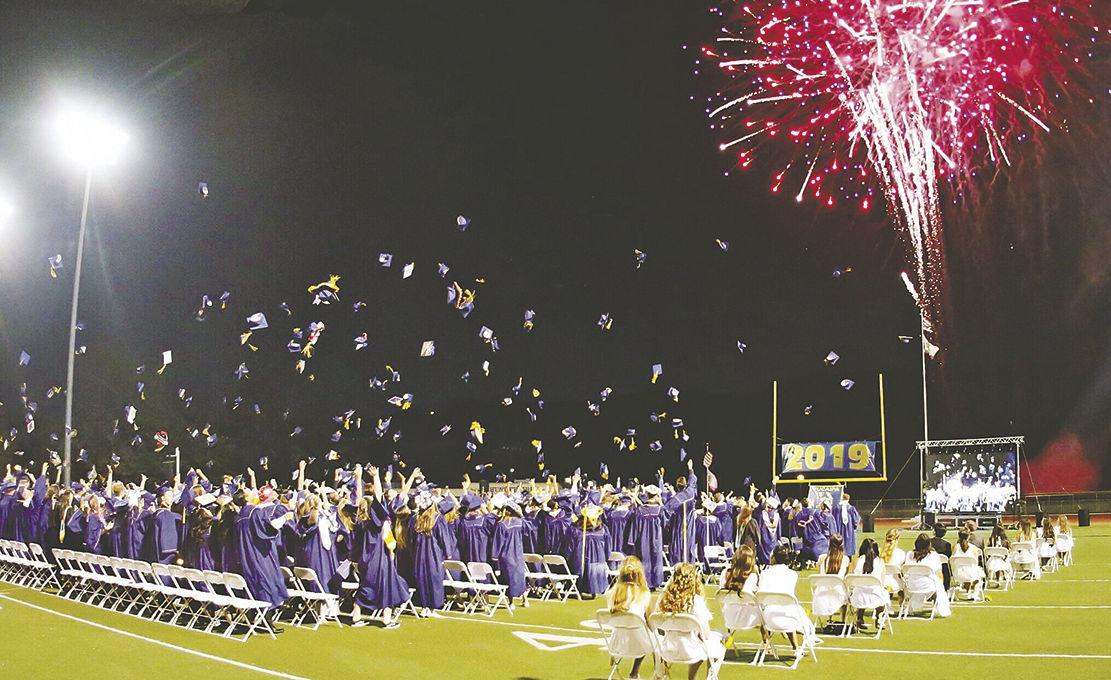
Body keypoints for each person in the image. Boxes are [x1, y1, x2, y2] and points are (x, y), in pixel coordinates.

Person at [351, 465, 410, 628]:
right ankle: (386, 619)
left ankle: (356, 616)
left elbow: (359, 501)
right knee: (387, 587)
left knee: (365, 586)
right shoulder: (378, 523)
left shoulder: (360, 521)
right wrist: (376, 477)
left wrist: (358, 478)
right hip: (380, 559)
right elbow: (378, 499)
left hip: (364, 559)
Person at [655, 562, 724, 680]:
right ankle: (708, 677)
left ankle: (661, 675)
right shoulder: (697, 602)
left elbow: (659, 629)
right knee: (719, 645)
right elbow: (705, 634)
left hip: (668, 650)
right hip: (692, 651)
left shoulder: (662, 600)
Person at [235, 485, 292, 611]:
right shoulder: (255, 512)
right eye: (249, 491)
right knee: (266, 582)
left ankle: (252, 616)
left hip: (246, 553)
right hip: (260, 553)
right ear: (246, 497)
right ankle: (267, 620)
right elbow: (267, 529)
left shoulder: (241, 514)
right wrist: (284, 518)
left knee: (254, 582)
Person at [757, 544, 815, 651]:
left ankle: (767, 645)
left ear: (773, 557)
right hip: (788, 617)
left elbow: (761, 596)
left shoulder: (765, 574)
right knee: (789, 609)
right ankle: (796, 648)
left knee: (768, 609)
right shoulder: (793, 574)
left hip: (769, 618)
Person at [604, 556, 654, 680]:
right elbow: (650, 621)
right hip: (640, 643)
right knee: (654, 637)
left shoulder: (612, 592)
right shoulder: (644, 594)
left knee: (632, 628)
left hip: (616, 642)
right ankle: (646, 672)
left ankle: (617, 659)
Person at [902, 533, 951, 617]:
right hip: (928, 586)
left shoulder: (909, 554)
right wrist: (941, 586)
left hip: (910, 586)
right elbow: (939, 573)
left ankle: (909, 607)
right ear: (929, 544)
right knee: (938, 583)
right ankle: (937, 606)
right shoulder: (933, 555)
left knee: (936, 582)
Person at [627, 484, 666, 589]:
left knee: (644, 559)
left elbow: (635, 527)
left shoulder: (640, 510)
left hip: (642, 539)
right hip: (656, 539)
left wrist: (632, 540)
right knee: (656, 558)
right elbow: (665, 524)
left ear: (647, 495)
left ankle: (644, 582)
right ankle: (655, 583)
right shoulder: (660, 510)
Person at [490, 501, 528, 607]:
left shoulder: (501, 524)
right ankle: (525, 599)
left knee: (508, 578)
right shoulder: (520, 522)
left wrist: (495, 556)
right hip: (518, 554)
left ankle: (511, 602)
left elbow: (498, 542)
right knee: (520, 576)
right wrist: (521, 515)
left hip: (506, 555)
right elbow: (528, 532)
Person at [567, 504, 609, 596]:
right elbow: (607, 546)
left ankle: (584, 589)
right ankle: (595, 590)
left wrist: (568, 556)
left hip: (582, 556)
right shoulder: (602, 528)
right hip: (598, 556)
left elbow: (569, 546)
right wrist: (607, 556)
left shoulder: (576, 528)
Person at [719, 545, 761, 636]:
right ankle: (767, 644)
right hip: (749, 619)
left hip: (729, 618)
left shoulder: (724, 573)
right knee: (766, 609)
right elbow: (755, 597)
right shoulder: (752, 576)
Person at [850, 538, 889, 629]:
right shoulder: (880, 561)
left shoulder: (856, 561)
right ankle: (879, 617)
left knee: (861, 590)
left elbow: (850, 578)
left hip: (857, 599)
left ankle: (859, 618)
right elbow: (882, 582)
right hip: (876, 598)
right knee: (884, 593)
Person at [952, 528, 986, 598]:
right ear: (969, 536)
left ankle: (968, 590)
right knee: (980, 575)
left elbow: (953, 561)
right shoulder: (974, 548)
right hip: (971, 573)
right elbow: (976, 562)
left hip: (957, 574)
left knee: (970, 573)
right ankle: (974, 594)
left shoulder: (955, 547)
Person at [929, 524, 953, 590]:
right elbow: (948, 556)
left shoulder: (928, 542)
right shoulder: (947, 544)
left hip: (930, 568)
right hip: (944, 571)